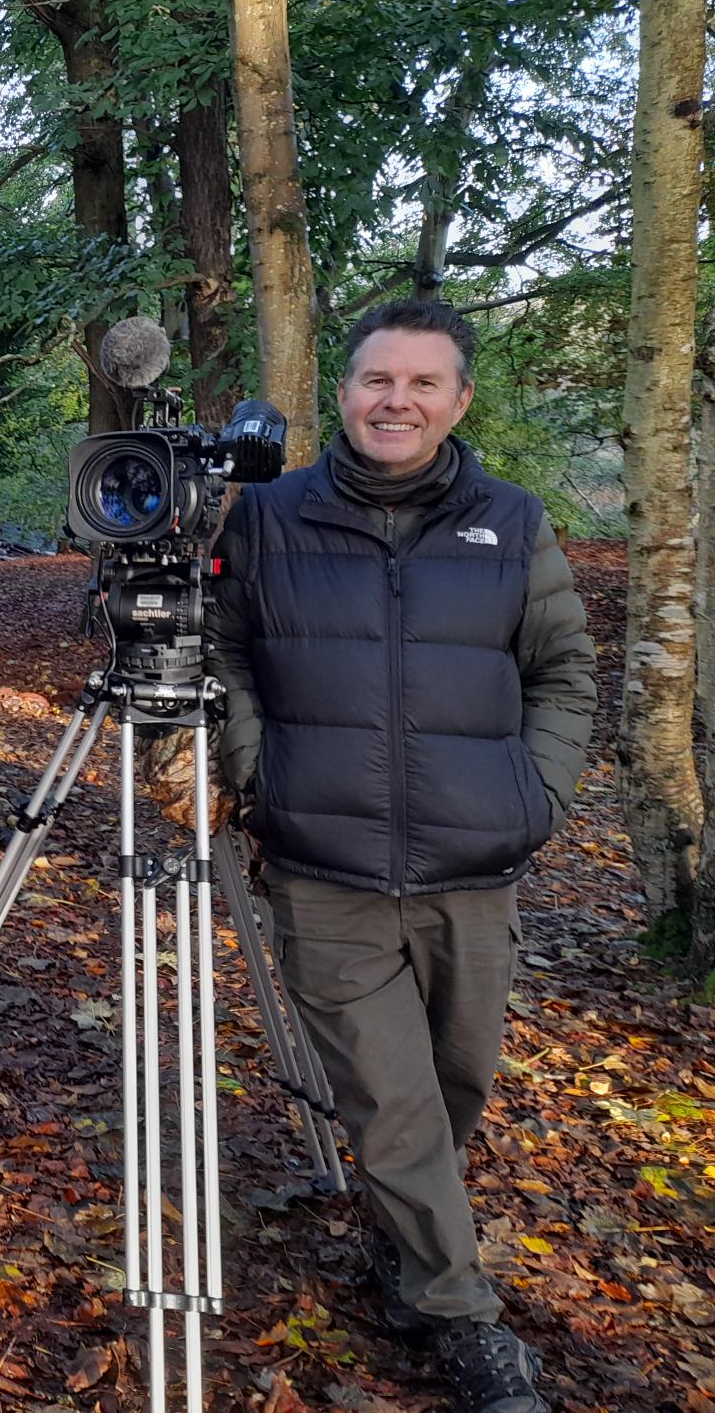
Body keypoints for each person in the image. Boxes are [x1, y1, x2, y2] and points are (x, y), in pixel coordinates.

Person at [203, 299, 595, 1413]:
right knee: (391, 1102)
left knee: (452, 1087)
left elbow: (564, 671)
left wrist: (536, 795)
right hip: (324, 867)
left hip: (475, 867)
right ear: (343, 393)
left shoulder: (511, 523)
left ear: (457, 402)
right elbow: (224, 650)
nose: (396, 401)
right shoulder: (268, 517)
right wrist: (255, 769)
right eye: (378, 380)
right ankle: (466, 1323)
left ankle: (406, 1249)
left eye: (423, 384)